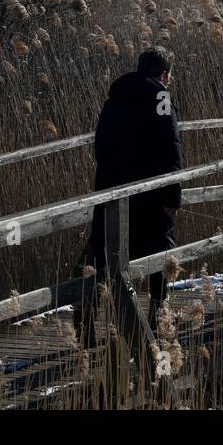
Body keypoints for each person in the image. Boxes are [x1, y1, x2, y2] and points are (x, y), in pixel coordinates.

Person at [85, 46, 183, 324]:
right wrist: (173, 195)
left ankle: (89, 319)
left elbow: (100, 144)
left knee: (105, 251)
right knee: (159, 248)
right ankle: (158, 313)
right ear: (165, 75)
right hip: (150, 192)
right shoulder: (162, 97)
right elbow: (170, 146)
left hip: (112, 188)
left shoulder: (116, 97)